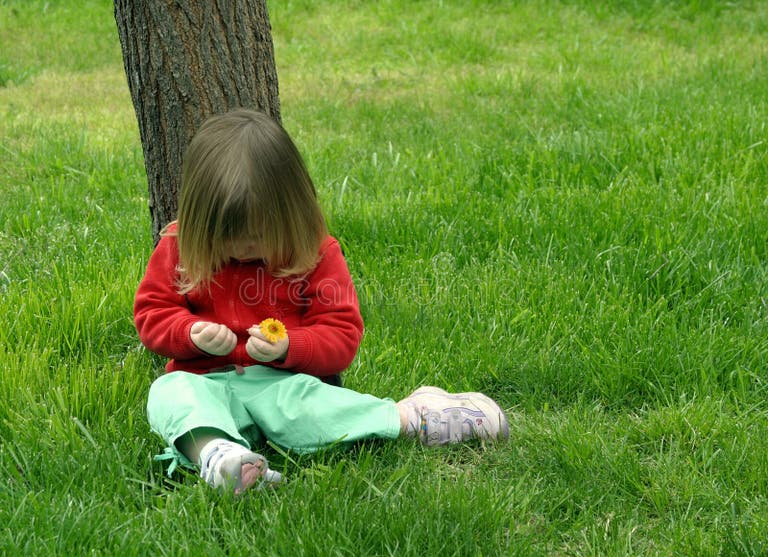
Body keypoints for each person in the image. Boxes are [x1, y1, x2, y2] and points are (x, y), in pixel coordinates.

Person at [134, 109, 509, 495]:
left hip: (282, 386)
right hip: (204, 382)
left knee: (311, 408)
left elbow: (341, 334)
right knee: (169, 393)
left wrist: (289, 348)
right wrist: (189, 333)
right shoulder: (179, 246)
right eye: (226, 238)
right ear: (200, 222)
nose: (243, 250)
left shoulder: (315, 253)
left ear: (290, 215)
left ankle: (412, 417)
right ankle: (220, 456)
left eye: (259, 236)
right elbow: (152, 312)